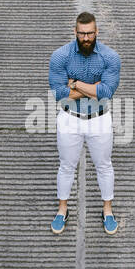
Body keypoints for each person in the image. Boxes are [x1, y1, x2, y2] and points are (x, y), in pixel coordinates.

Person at [48, 12, 120, 235]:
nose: (86, 38)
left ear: (97, 32)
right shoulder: (60, 56)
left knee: (104, 166)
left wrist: (75, 84)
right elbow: (59, 94)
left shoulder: (110, 57)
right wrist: (92, 88)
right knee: (66, 166)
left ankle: (107, 211)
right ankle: (62, 210)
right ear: (75, 32)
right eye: (82, 34)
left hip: (99, 119)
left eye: (90, 33)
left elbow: (106, 92)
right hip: (69, 118)